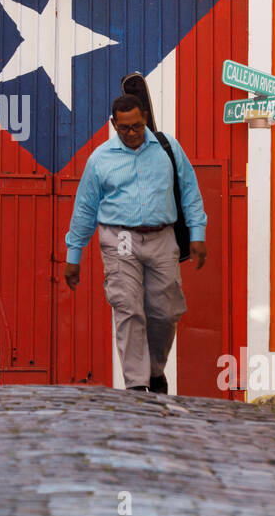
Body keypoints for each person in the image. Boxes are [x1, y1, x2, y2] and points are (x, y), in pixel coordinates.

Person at [63, 93, 207, 393]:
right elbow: (85, 208)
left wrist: (197, 234)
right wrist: (73, 255)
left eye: (137, 127)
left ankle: (155, 371)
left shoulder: (168, 148)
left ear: (146, 120)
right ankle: (137, 386)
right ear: (114, 124)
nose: (131, 133)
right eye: (124, 128)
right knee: (127, 307)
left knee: (166, 311)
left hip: (162, 237)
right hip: (120, 239)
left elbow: (190, 190)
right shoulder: (100, 159)